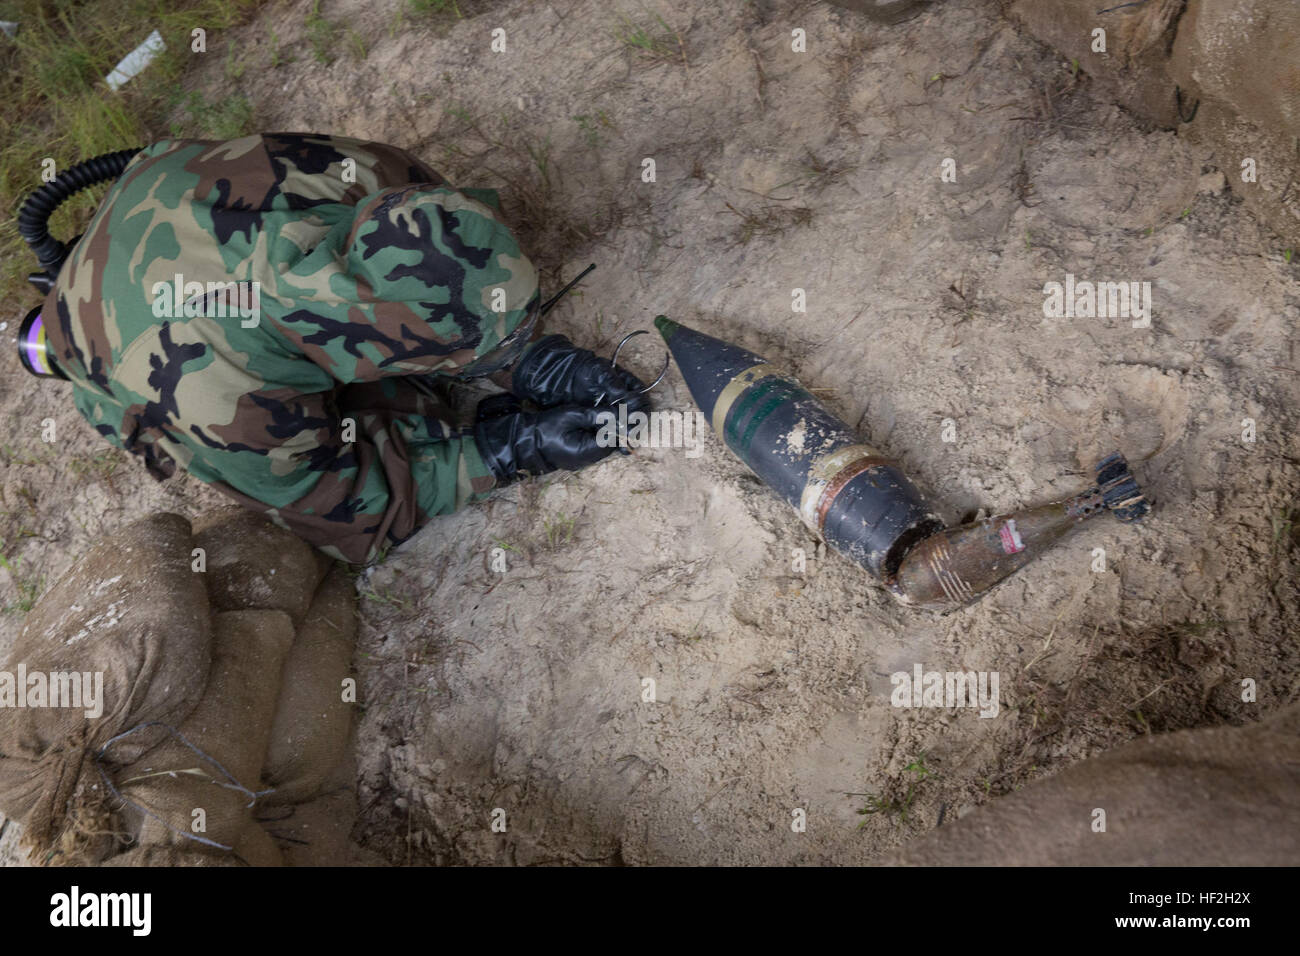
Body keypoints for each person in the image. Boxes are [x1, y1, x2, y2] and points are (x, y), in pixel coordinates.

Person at [21, 132, 648, 563]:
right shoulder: (219, 392)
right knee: (396, 428)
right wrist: (508, 451)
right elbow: (350, 515)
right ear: (351, 347)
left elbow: (439, 225)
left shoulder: (379, 174)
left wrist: (529, 357)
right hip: (103, 332)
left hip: (162, 192)